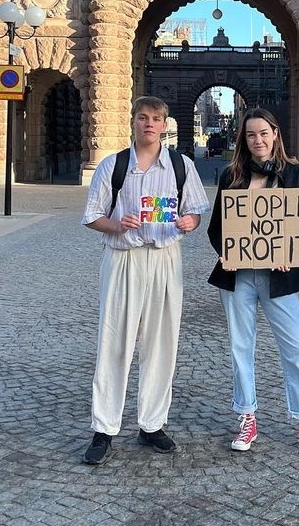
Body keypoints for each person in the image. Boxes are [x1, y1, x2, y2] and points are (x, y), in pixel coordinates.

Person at [80, 96, 210, 465]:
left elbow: (193, 212)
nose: (149, 124)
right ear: (133, 122)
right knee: (115, 340)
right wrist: (116, 224)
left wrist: (190, 223)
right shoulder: (114, 165)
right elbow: (92, 216)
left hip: (166, 258)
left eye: (156, 118)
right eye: (142, 117)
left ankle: (152, 423)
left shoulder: (181, 166)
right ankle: (104, 429)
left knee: (162, 341)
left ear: (165, 124)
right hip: (123, 257)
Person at [207, 108, 299, 455]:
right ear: (244, 139)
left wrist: (289, 253)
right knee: (241, 348)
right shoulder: (230, 175)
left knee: (296, 349)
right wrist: (226, 251)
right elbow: (217, 227)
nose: (258, 140)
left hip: (279, 276)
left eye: (264, 133)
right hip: (238, 276)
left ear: (275, 133)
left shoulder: (295, 173)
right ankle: (247, 416)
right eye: (251, 135)